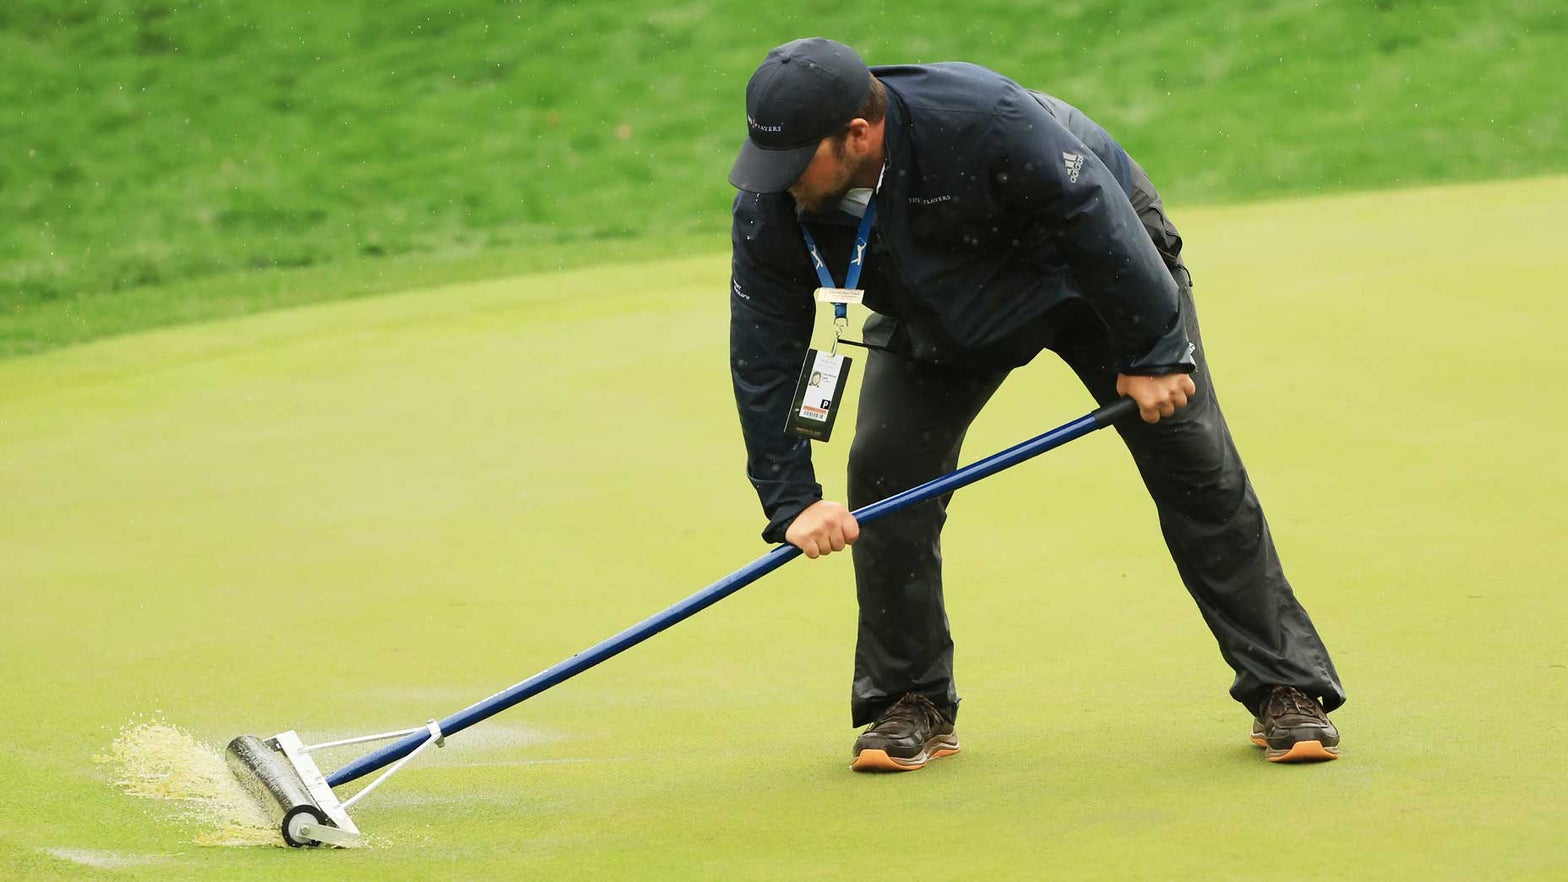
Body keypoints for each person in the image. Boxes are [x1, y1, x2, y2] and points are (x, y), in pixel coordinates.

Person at [726, 38, 1344, 771]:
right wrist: (791, 496)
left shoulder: (985, 119)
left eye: (797, 159)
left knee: (1194, 464)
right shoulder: (776, 206)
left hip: (1088, 277)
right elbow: (767, 348)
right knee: (887, 478)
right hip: (938, 307)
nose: (778, 180)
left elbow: (1097, 217)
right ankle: (908, 701)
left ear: (857, 136)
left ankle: (1286, 685)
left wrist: (1153, 353)